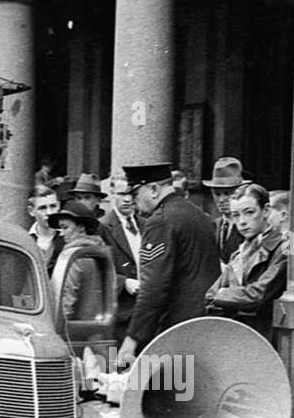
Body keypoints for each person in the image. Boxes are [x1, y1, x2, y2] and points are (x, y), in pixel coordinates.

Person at [206, 183, 291, 418]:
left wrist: (222, 296)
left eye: (249, 213)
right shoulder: (243, 250)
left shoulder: (281, 248)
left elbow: (257, 295)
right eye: (235, 214)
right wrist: (224, 296)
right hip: (242, 343)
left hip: (264, 344)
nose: (241, 221)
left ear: (266, 210)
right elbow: (215, 292)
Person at [115, 162, 221, 370]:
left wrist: (131, 340)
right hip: (204, 325)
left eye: (135, 193)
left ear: (154, 189)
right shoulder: (199, 216)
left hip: (174, 331)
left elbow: (153, 288)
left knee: (167, 396)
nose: (131, 200)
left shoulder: (160, 222)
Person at [98, 173, 143, 343]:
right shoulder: (102, 227)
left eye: (132, 194)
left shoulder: (147, 225)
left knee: (150, 363)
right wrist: (124, 283)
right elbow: (99, 270)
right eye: (122, 194)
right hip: (121, 313)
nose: (127, 199)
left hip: (146, 312)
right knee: (122, 365)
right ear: (112, 194)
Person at [48, 200, 107, 319]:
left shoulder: (75, 259)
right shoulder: (99, 254)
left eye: (65, 228)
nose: (61, 234)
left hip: (73, 331)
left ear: (80, 227)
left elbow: (65, 302)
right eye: (60, 229)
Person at [202, 156, 250, 263]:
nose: (221, 200)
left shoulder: (248, 225)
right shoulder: (214, 225)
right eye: (217, 194)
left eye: (228, 193)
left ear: (240, 192)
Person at [26, 184, 63, 273]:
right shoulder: (26, 240)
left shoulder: (67, 237)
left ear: (59, 206)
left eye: (53, 206)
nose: (49, 212)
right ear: (31, 211)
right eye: (42, 208)